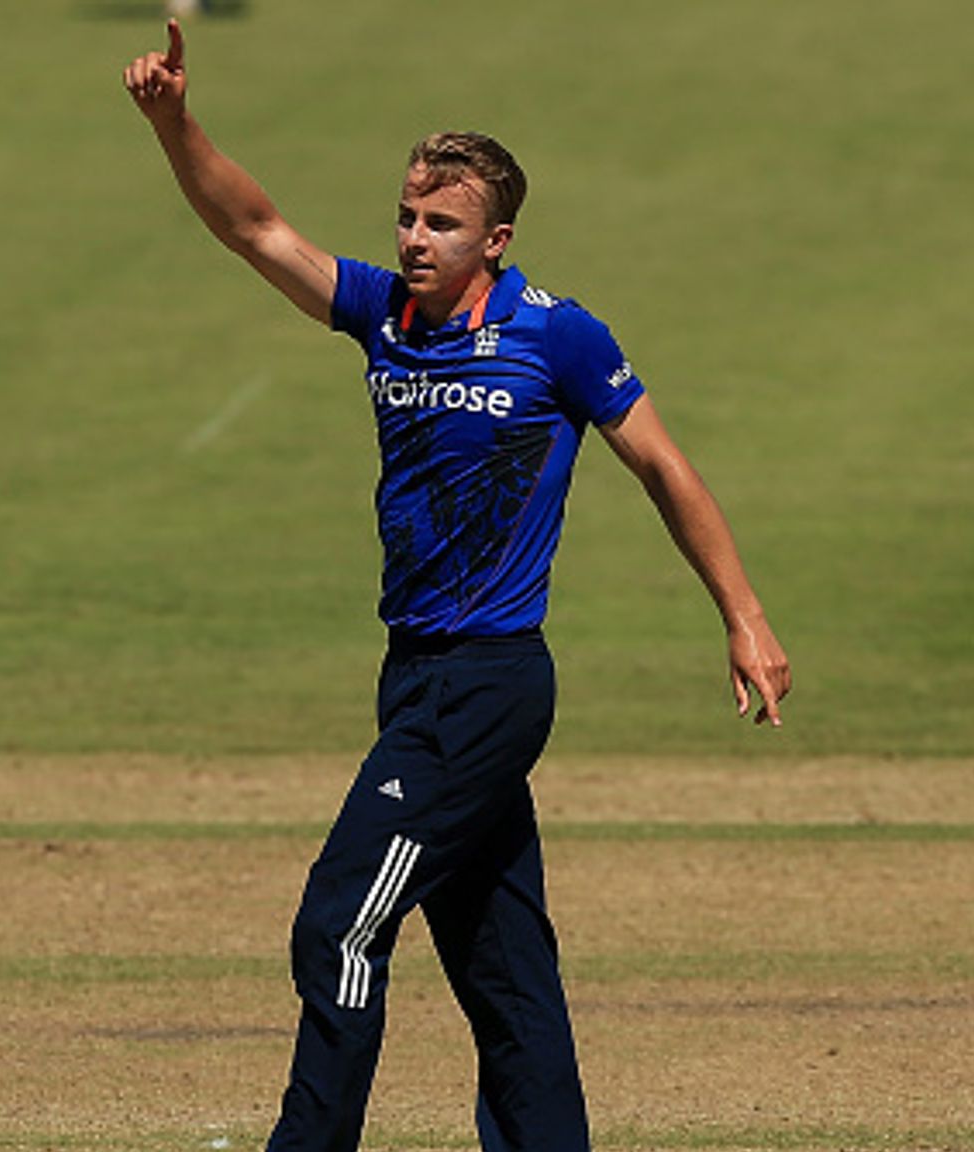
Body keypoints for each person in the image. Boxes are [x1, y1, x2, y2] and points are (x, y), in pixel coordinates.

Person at [124, 19, 791, 1152]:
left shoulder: (555, 337)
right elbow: (254, 226)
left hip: (486, 685)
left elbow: (662, 464)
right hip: (414, 677)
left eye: (442, 224)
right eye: (407, 216)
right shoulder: (384, 316)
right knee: (501, 960)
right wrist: (173, 121)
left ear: (495, 240)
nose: (415, 238)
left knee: (338, 921)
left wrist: (744, 615)